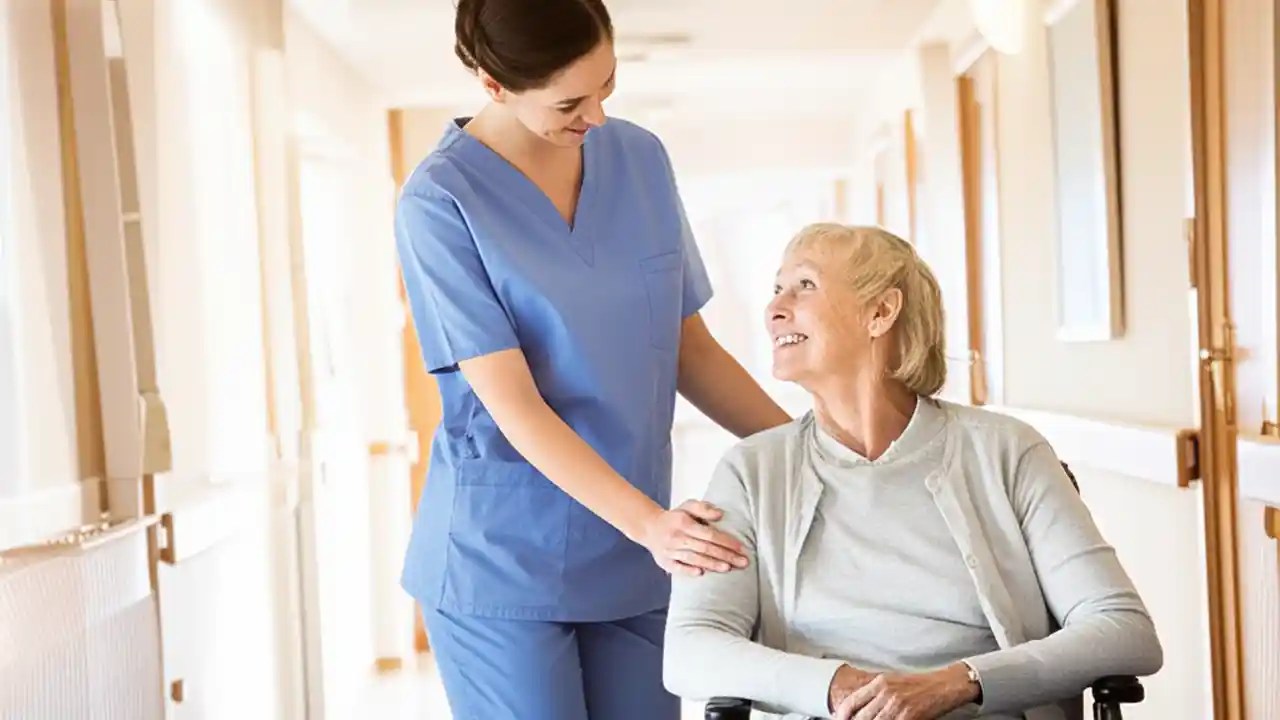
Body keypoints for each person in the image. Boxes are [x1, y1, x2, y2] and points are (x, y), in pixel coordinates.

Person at [393, 1, 792, 717]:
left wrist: (809, 453)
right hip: (504, 564)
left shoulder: (638, 157)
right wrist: (649, 522)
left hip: (635, 558)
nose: (596, 119)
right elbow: (510, 402)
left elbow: (688, 349)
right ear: (492, 85)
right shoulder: (441, 200)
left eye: (607, 86)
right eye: (570, 102)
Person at [662, 224, 1163, 720]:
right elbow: (689, 650)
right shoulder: (752, 471)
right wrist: (838, 687)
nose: (773, 309)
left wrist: (957, 683)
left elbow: (1123, 628)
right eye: (776, 289)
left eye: (805, 285)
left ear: (880, 311)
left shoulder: (1006, 450)